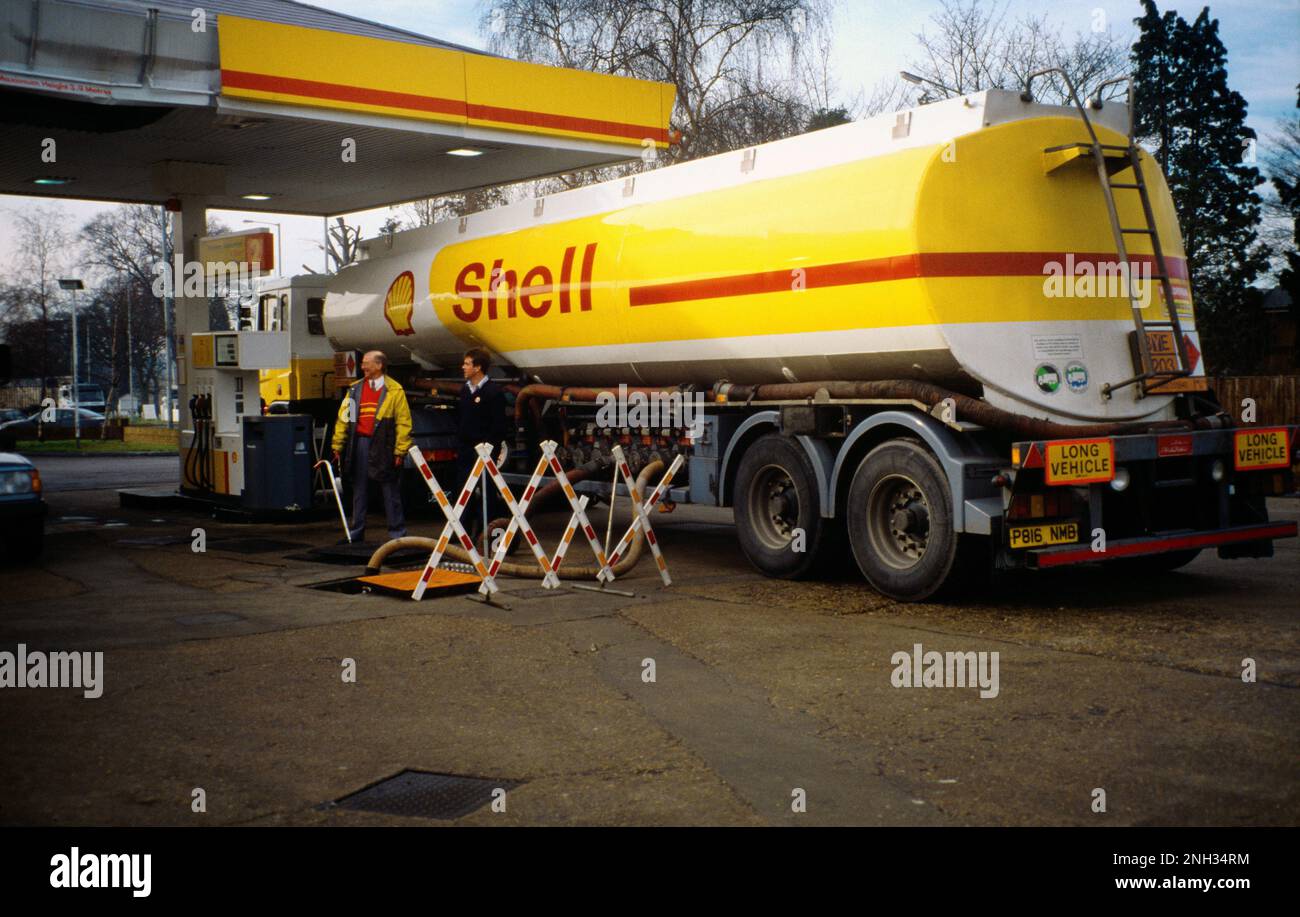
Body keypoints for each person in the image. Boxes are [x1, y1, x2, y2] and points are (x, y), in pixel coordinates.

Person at [331, 350, 412, 543]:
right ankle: (356, 533)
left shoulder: (395, 390)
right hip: (360, 443)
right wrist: (338, 444)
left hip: (383, 444)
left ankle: (397, 534)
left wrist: (400, 450)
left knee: (389, 489)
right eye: (363, 363)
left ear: (379, 366)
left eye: (367, 363)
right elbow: (345, 419)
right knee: (359, 489)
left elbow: (403, 422)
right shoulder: (354, 389)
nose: (363, 367)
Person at [456, 347, 511, 542]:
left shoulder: (493, 392)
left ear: (478, 367)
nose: (463, 367)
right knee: (464, 491)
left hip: (485, 451)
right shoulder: (465, 391)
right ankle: (462, 533)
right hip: (465, 450)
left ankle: (485, 533)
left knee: (487, 492)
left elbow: (499, 426)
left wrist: (489, 449)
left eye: (467, 363)